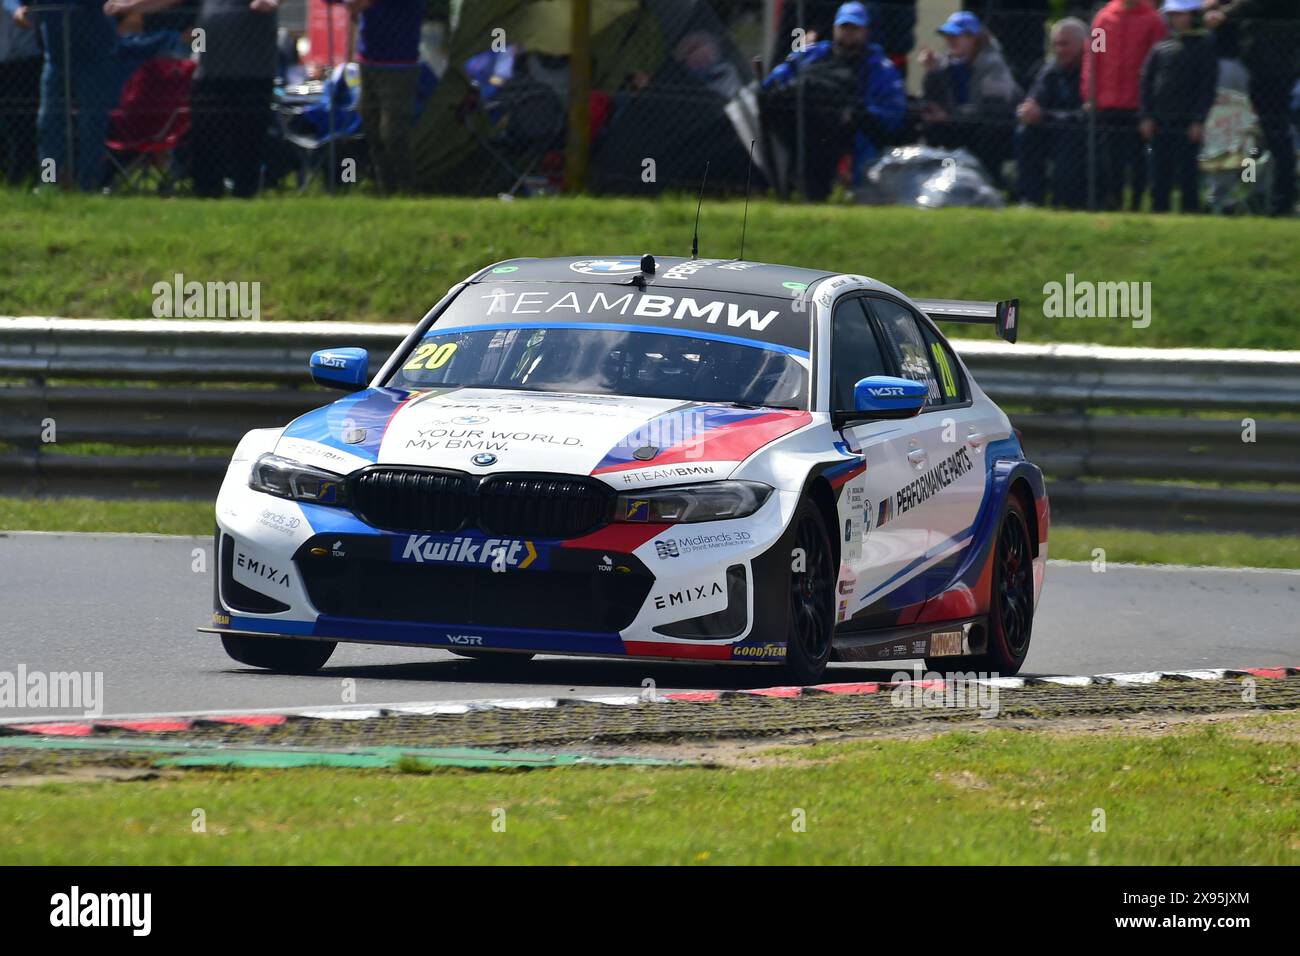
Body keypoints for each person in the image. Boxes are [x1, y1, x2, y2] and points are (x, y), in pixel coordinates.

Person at [105, 0, 278, 198]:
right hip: (208, 71)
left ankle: (245, 192)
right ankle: (207, 191)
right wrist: (130, 6)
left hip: (253, 72)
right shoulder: (198, 25)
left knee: (248, 134)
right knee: (205, 134)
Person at [763, 1, 906, 199]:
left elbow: (892, 112)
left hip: (850, 129)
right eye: (844, 27)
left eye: (854, 28)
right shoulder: (812, 54)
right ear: (834, 29)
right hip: (805, 126)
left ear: (866, 31)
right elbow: (776, 79)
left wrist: (859, 114)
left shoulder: (879, 66)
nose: (848, 33)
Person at [1205, 0, 1299, 216]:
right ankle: (1257, 194)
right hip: (1257, 65)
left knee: (1274, 135)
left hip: (1271, 67)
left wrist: (1223, 12)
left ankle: (1278, 199)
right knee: (1255, 136)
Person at [12, 0, 116, 190]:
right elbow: (22, 6)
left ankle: (89, 183)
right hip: (55, 60)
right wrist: (20, 10)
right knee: (48, 125)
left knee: (91, 123)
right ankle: (49, 181)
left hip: (94, 57)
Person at [327, 0, 424, 195]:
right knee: (373, 132)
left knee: (393, 133)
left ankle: (408, 189)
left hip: (399, 65)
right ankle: (387, 190)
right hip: (368, 62)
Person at [1080, 0, 1167, 210]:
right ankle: (1114, 201)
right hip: (1108, 103)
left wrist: (1152, 105)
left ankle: (1136, 203)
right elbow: (1094, 58)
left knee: (1138, 158)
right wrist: (1090, 93)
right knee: (1111, 158)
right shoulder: (1103, 20)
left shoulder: (1152, 21)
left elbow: (1158, 64)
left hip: (1139, 104)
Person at [918, 11, 1022, 184]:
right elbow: (936, 100)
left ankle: (987, 183)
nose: (949, 40)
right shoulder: (948, 64)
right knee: (935, 129)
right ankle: (946, 182)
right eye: (947, 36)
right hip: (963, 122)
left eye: (955, 36)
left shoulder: (992, 65)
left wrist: (950, 115)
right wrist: (933, 72)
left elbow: (992, 110)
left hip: (996, 131)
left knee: (986, 132)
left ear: (973, 38)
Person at [1139, 0, 1217, 212]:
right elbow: (1146, 81)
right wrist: (1146, 115)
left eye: (1181, 14)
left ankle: (1190, 210)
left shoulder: (1204, 45)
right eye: (1172, 14)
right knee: (1159, 171)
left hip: (1188, 121)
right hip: (1160, 120)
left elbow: (1206, 86)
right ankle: (1159, 210)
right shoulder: (1160, 46)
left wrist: (1198, 120)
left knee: (1187, 172)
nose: (1176, 19)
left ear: (1192, 15)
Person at [1016, 17, 1088, 207]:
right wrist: (1027, 111)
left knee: (1069, 140)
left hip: (1079, 132)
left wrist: (1044, 116)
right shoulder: (1050, 69)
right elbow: (1036, 97)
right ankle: (1031, 199)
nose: (1059, 50)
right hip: (1051, 127)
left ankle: (1066, 200)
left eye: (1065, 44)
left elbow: (1084, 115)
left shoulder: (1092, 72)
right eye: (1055, 44)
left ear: (1083, 44)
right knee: (1025, 133)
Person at [0, 0, 42, 184]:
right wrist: (15, 9)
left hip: (27, 64)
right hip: (5, 65)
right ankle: (15, 176)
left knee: (33, 127)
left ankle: (46, 178)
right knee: (12, 127)